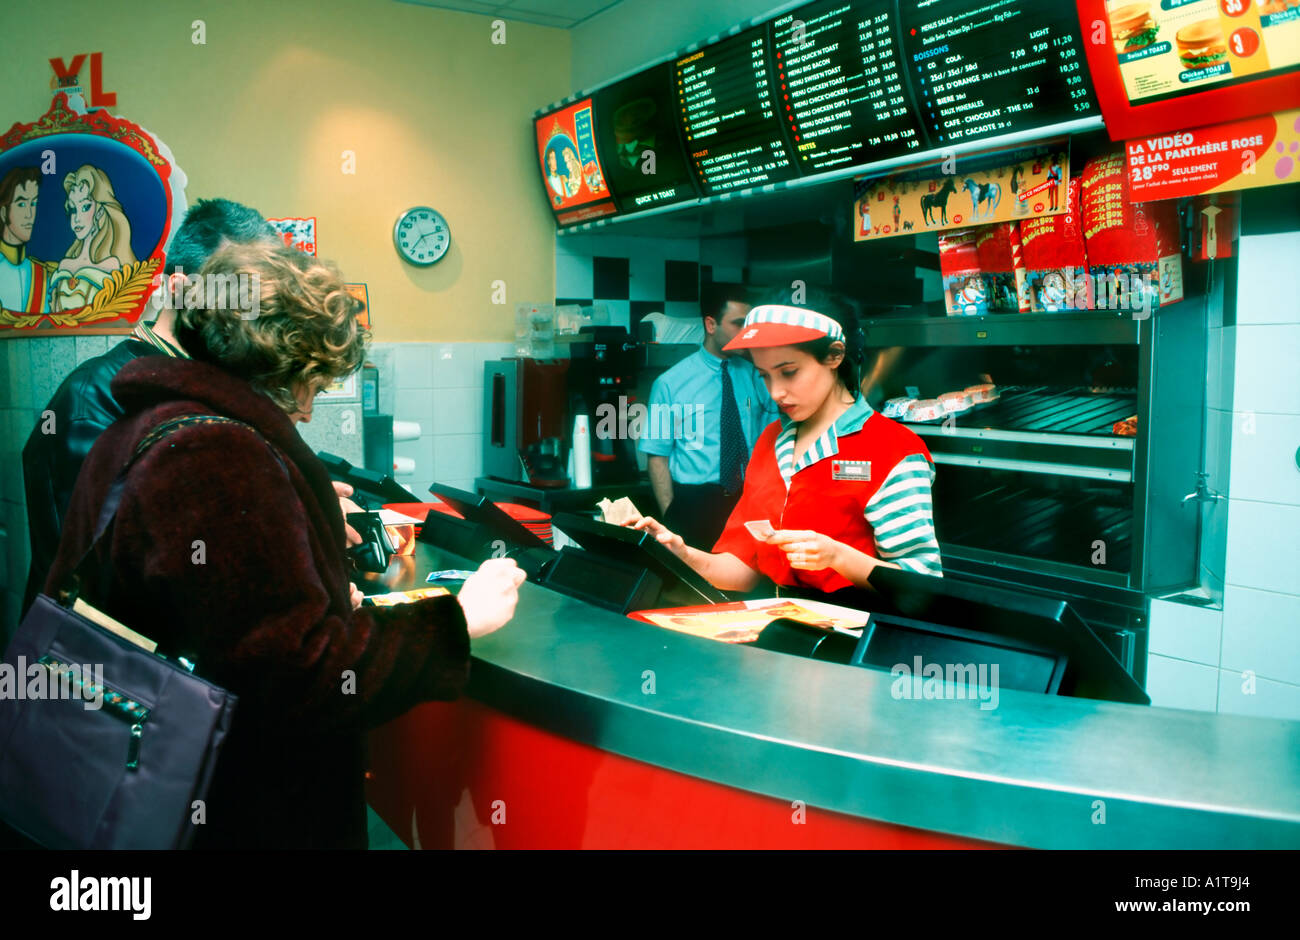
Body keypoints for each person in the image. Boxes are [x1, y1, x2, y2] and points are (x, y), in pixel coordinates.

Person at [43, 240, 526, 848]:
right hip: (236, 812)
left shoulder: (149, 421)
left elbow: (221, 619)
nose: (306, 410)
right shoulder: (214, 454)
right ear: (279, 367)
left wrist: (313, 577)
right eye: (314, 385)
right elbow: (297, 680)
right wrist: (454, 620)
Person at [21, 198, 295, 619]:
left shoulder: (214, 390)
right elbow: (113, 567)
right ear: (178, 286)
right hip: (99, 671)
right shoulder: (92, 399)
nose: (244, 312)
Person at [629, 292, 942, 595]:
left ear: (834, 355)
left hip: (858, 635)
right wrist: (680, 551)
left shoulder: (893, 449)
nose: (775, 392)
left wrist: (837, 556)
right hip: (781, 625)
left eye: (789, 372)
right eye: (764, 376)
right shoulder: (771, 441)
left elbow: (921, 584)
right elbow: (742, 568)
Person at [638, 282, 775, 548]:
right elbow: (657, 456)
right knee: (688, 585)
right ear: (711, 325)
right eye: (738, 324)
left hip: (748, 501)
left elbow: (771, 444)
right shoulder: (671, 383)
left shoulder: (759, 376)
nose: (746, 333)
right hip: (693, 504)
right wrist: (670, 515)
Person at [50, 164, 137, 311]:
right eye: (73, 209)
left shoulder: (114, 266)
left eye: (85, 207)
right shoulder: (65, 264)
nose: (76, 218)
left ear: (100, 210)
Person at [0, 166, 51, 314]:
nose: (30, 214)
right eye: (21, 204)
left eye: (33, 203)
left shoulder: (42, 273)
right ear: (4, 212)